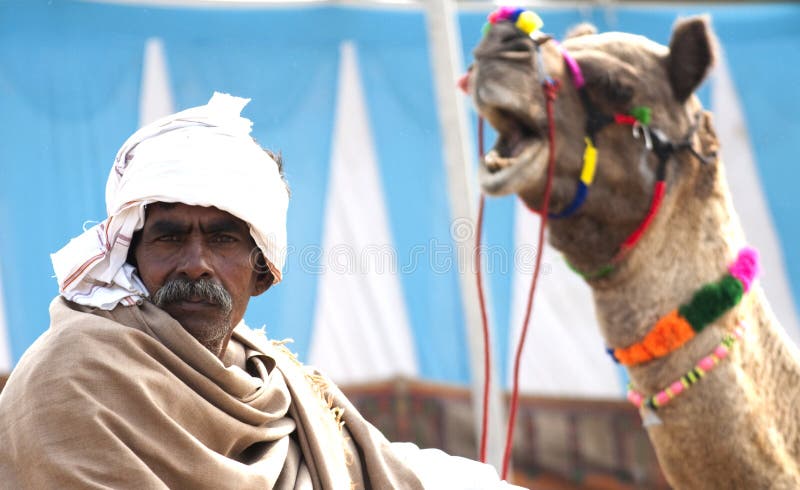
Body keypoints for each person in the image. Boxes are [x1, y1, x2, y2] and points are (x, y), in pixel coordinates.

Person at [0, 93, 519, 489]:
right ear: (130, 257)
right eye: (170, 237)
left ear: (263, 270)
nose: (196, 265)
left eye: (223, 239)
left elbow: (381, 467)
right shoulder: (74, 375)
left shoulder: (270, 378)